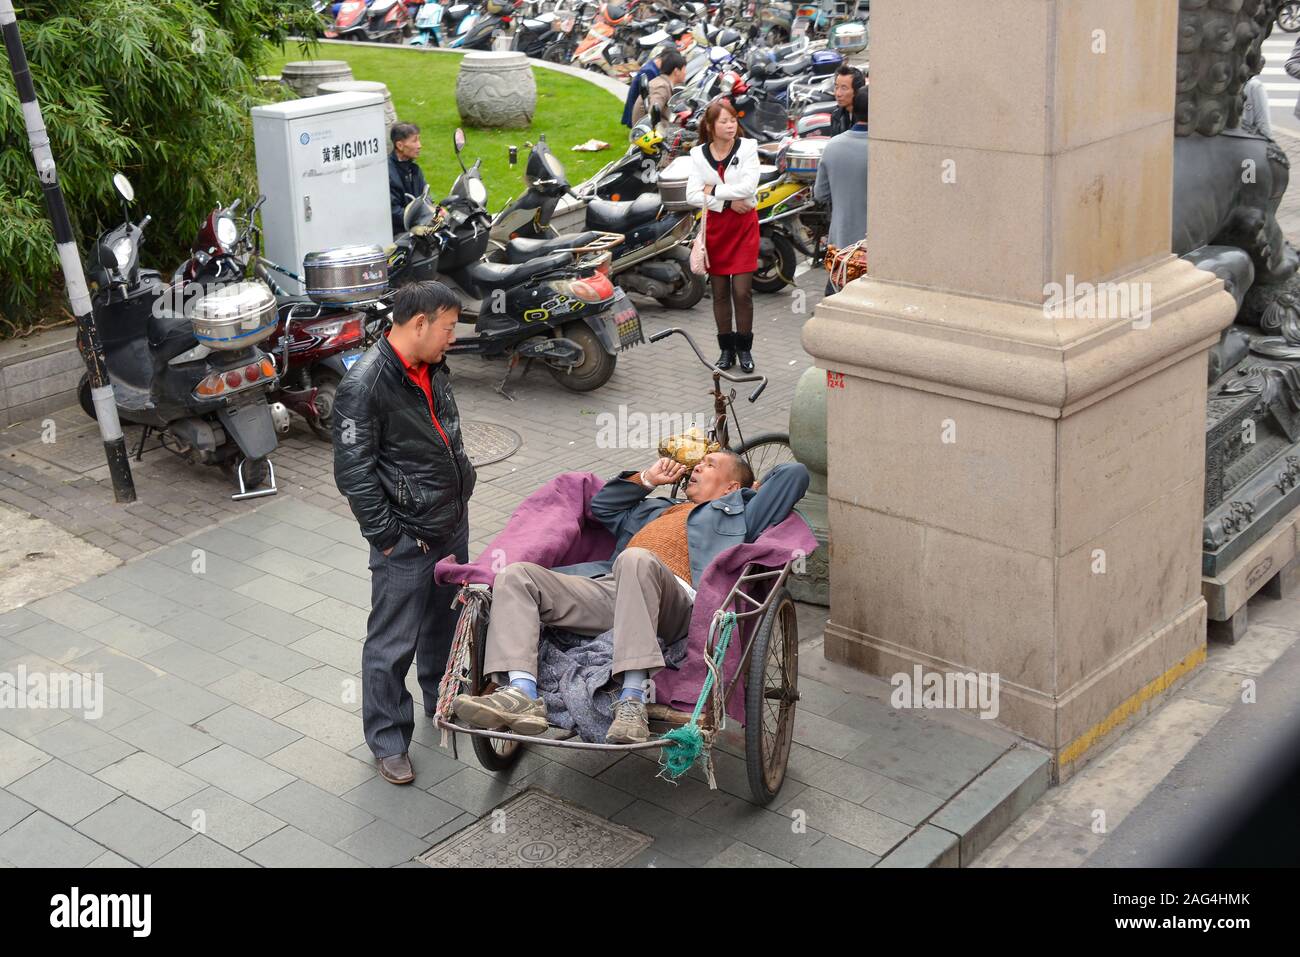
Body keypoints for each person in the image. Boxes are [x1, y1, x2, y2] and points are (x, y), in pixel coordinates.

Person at [452, 454, 810, 744]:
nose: (697, 466)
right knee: (517, 575)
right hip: (613, 589)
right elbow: (603, 507)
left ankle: (632, 699)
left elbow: (794, 474)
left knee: (636, 560)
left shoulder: (742, 511)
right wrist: (649, 479)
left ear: (733, 485)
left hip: (677, 601)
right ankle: (522, 694)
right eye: (698, 462)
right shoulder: (655, 509)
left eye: (710, 463)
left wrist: (755, 488)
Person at [333, 281, 477, 785]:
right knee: (392, 642)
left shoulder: (433, 366)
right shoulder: (365, 386)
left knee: (445, 624)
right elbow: (353, 472)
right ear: (419, 324)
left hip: (449, 523)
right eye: (448, 328)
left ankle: (443, 702)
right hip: (407, 540)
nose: (452, 339)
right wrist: (390, 538)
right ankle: (389, 739)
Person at [686, 98, 761, 372]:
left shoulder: (748, 148)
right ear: (710, 125)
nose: (731, 126)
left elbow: (748, 188)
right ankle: (725, 350)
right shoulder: (697, 155)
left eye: (733, 120)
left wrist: (710, 190)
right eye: (724, 121)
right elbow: (691, 194)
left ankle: (745, 348)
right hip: (716, 228)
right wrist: (726, 201)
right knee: (718, 292)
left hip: (743, 228)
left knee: (742, 292)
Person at [815, 85, 869, 296]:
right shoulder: (885, 149)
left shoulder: (833, 146)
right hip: (872, 249)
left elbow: (821, 194)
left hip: (840, 246)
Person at [388, 122, 427, 236]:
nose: (419, 145)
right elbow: (394, 211)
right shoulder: (389, 174)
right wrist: (418, 221)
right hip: (398, 234)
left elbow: (424, 197)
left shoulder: (414, 169)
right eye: (414, 141)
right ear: (400, 146)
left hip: (416, 224)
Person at [631, 49, 687, 127]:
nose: (685, 72)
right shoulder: (662, 87)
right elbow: (653, 113)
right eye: (684, 69)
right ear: (676, 71)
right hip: (648, 134)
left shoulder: (661, 81)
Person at [828, 65, 865, 137]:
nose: (838, 94)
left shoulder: (867, 119)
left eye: (844, 88)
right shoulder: (836, 116)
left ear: (857, 91)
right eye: (836, 87)